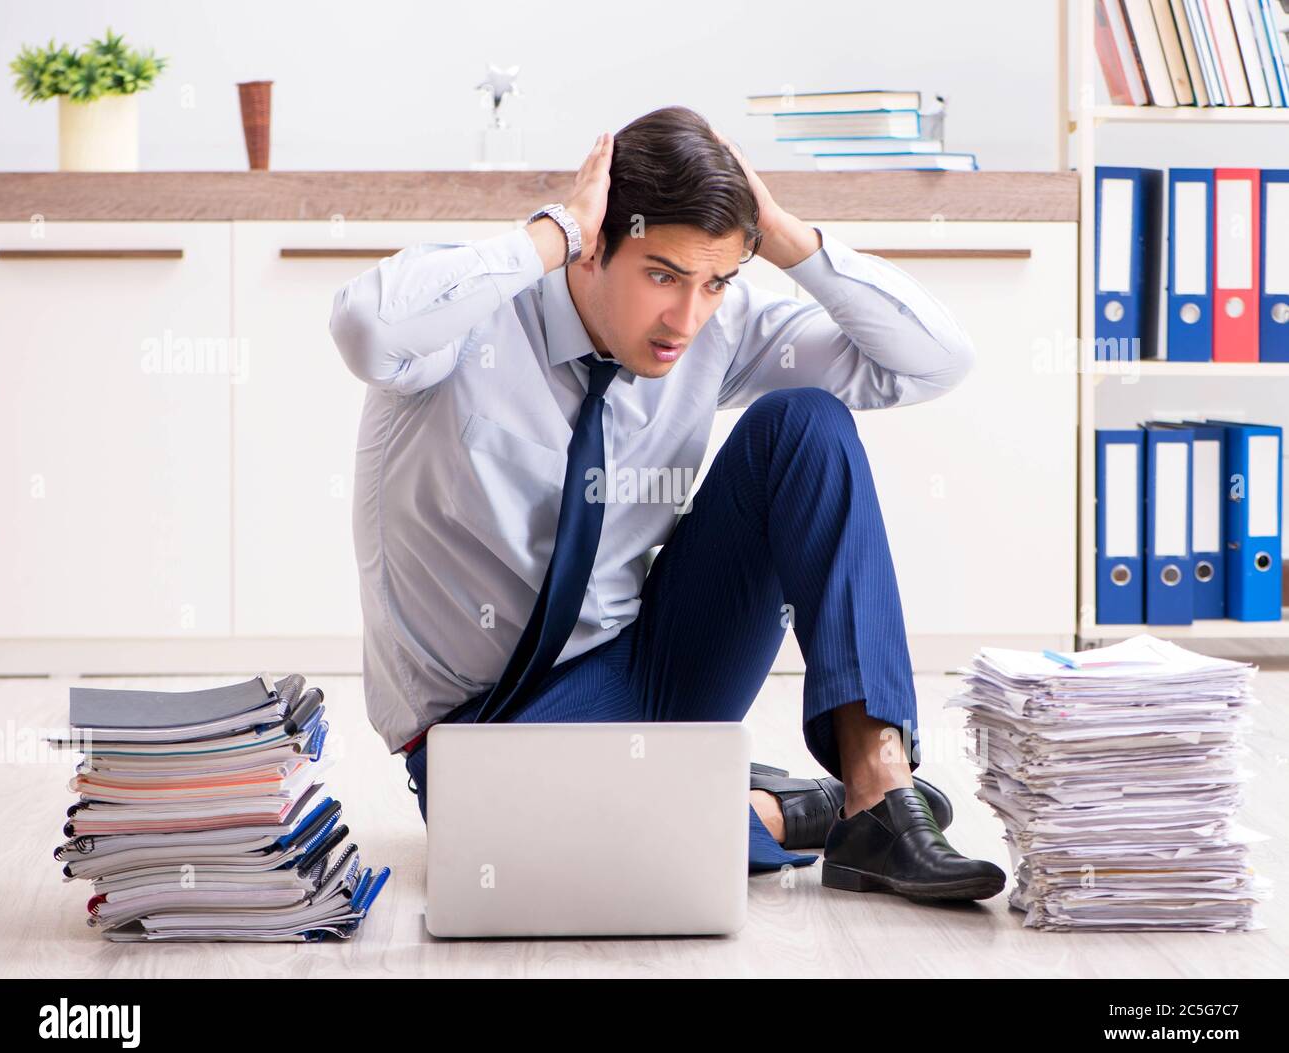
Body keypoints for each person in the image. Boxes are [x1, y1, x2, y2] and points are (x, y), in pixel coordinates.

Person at [329, 104, 1006, 901]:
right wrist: (550, 229)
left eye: (715, 282)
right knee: (519, 845)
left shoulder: (712, 328)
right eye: (662, 276)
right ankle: (772, 811)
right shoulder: (471, 317)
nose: (687, 319)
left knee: (806, 426)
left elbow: (933, 364)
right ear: (590, 250)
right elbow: (368, 328)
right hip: (484, 735)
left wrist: (785, 235)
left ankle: (877, 795)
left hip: (650, 667)